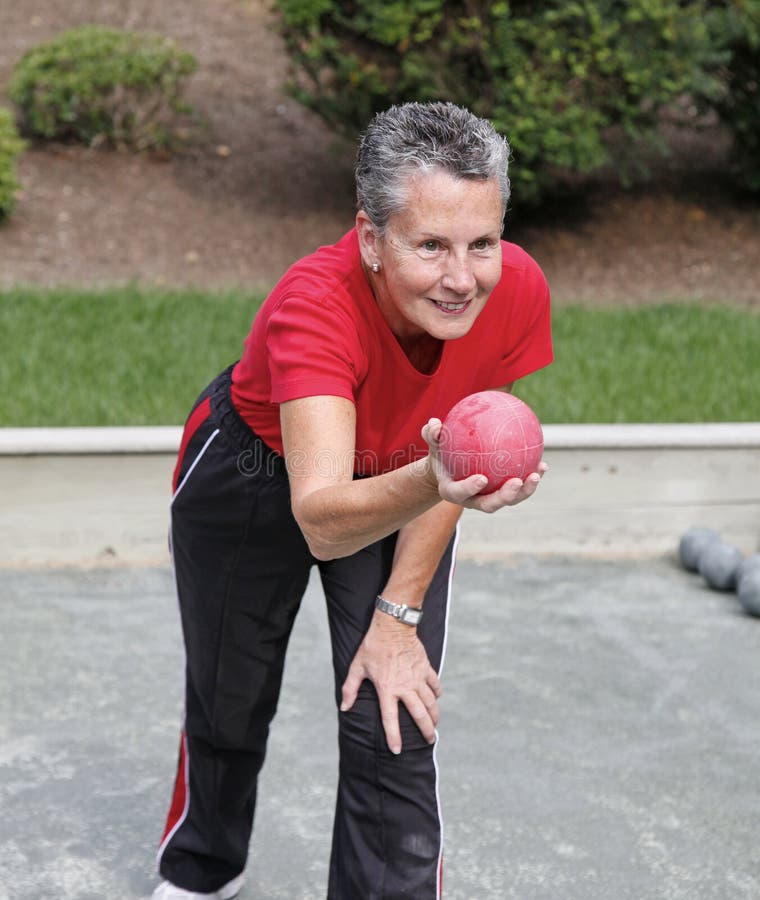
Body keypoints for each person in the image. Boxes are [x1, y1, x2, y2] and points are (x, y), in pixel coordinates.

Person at [152, 100, 553, 900]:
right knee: (230, 691)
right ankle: (202, 868)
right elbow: (325, 518)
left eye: (483, 242)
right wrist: (437, 478)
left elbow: (462, 451)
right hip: (256, 474)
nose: (461, 278)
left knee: (394, 717)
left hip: (412, 477)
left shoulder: (513, 293)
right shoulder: (316, 303)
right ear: (372, 239)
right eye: (430, 245)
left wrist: (397, 618)